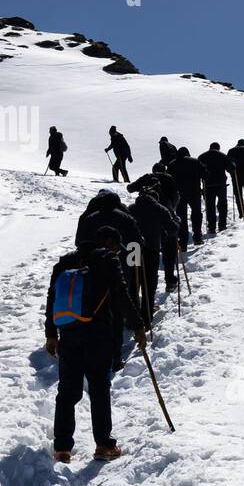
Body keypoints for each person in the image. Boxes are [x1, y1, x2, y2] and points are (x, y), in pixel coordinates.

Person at [45, 223, 147, 462]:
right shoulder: (108, 260)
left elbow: (52, 297)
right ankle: (103, 445)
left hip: (68, 334)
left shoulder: (64, 262)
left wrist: (51, 333)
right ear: (110, 243)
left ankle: (62, 448)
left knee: (67, 391)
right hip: (98, 333)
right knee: (99, 388)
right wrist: (139, 326)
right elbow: (122, 294)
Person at [75, 190, 144, 366]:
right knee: (118, 306)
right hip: (120, 262)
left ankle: (92, 348)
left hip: (93, 266)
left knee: (95, 305)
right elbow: (137, 242)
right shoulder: (125, 217)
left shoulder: (89, 218)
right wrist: (133, 259)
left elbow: (79, 243)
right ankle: (115, 355)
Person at [131, 185, 180, 324]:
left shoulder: (131, 209)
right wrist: (177, 221)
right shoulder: (160, 209)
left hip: (133, 249)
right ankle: (146, 317)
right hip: (151, 249)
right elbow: (172, 229)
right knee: (149, 283)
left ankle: (132, 317)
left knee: (133, 281)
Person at [171, 147, 206, 250]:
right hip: (194, 192)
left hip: (179, 195)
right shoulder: (195, 162)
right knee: (196, 214)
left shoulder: (172, 164)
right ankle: (197, 238)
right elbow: (205, 174)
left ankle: (183, 243)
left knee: (181, 218)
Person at [198, 141, 235, 235]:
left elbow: (197, 172)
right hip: (221, 184)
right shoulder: (222, 156)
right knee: (222, 204)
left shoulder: (202, 157)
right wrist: (233, 166)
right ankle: (222, 225)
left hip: (208, 185)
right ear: (218, 148)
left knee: (210, 206)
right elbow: (231, 168)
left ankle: (212, 227)